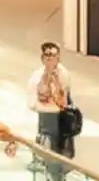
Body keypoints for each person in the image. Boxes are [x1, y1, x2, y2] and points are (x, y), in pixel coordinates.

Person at [27, 41, 74, 179]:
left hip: (59, 115)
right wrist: (47, 76)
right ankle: (49, 170)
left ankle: (58, 174)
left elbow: (62, 95)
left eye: (53, 55)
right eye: (47, 55)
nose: (50, 58)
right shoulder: (37, 75)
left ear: (58, 57)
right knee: (46, 143)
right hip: (45, 114)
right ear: (42, 57)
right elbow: (41, 95)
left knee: (59, 147)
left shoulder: (63, 73)